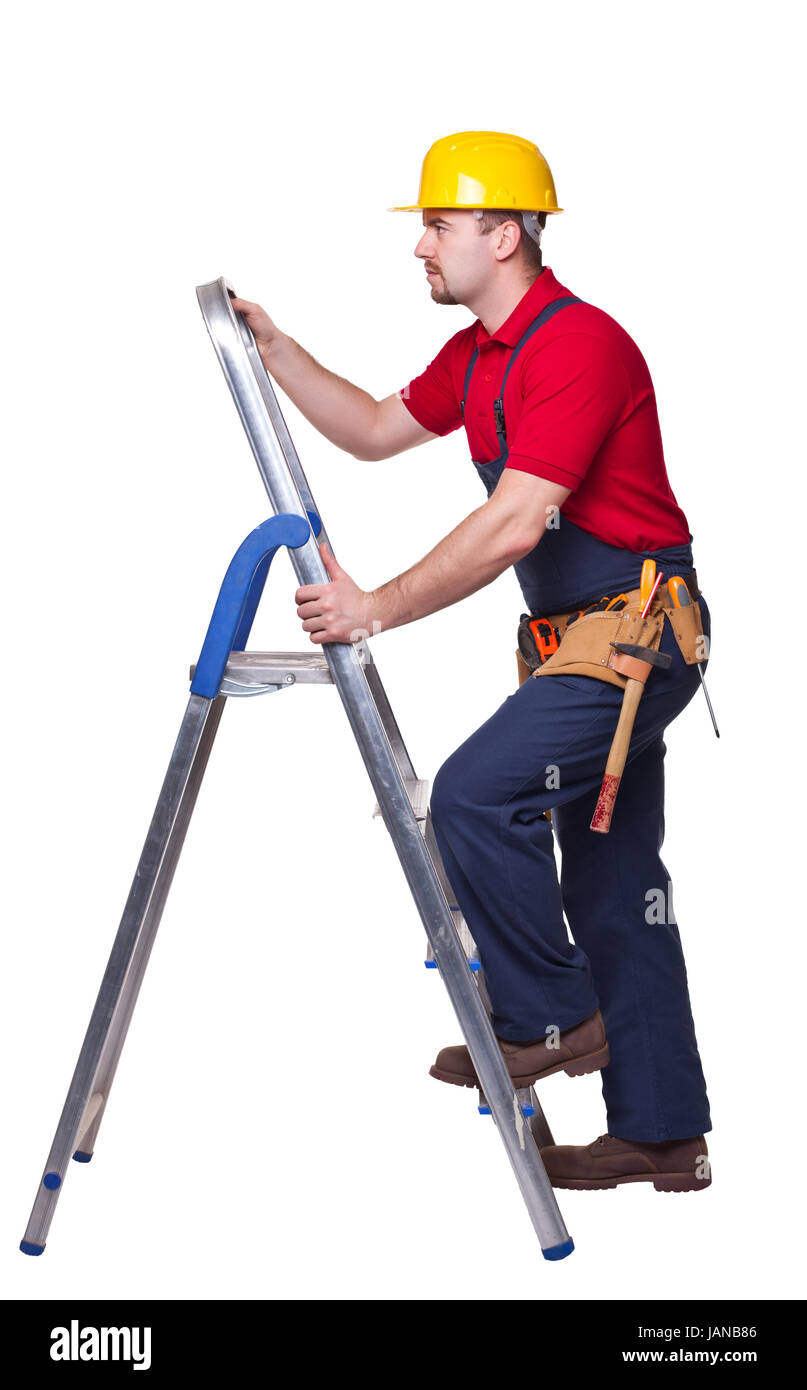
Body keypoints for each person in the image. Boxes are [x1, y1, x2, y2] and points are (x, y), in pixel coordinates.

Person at [231, 130, 713, 1194]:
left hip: (637, 634)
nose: (421, 248)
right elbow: (367, 425)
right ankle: (665, 1133)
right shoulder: (481, 356)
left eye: (437, 227)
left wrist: (371, 609)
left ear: (502, 234)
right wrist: (278, 351)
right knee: (616, 875)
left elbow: (512, 525)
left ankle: (552, 1016)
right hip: (579, 643)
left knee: (474, 797)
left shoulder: (581, 345)